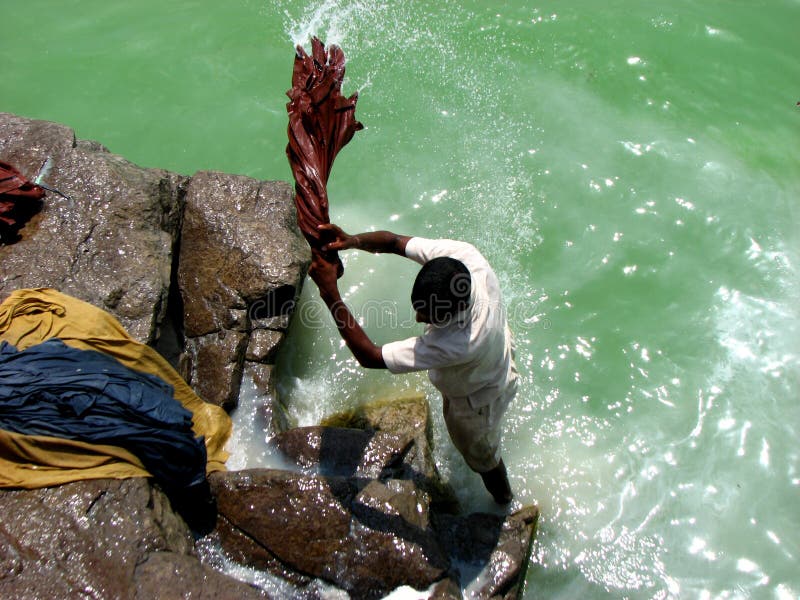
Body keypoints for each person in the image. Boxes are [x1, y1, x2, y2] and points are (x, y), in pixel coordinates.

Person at [308, 223, 518, 504]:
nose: (419, 319)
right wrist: (351, 240)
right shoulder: (464, 259)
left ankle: (504, 502)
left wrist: (330, 294)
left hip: (479, 399)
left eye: (429, 316)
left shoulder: (461, 343)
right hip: (495, 352)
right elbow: (394, 242)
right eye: (420, 309)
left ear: (453, 314)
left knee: (484, 459)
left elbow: (369, 357)